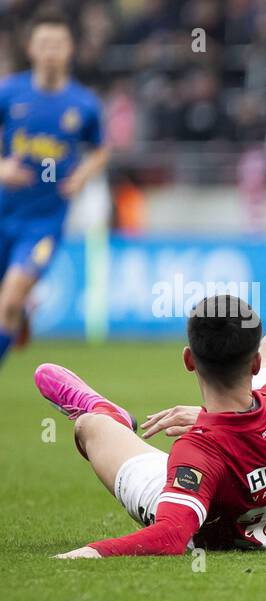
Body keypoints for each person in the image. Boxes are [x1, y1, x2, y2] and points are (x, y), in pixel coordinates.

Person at [36, 221, 266, 558]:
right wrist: (226, 428)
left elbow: (170, 536)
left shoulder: (195, 452)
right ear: (256, 365)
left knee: (89, 428)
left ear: (189, 360)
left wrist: (89, 552)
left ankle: (107, 414)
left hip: (196, 508)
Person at [0, 11, 110, 365]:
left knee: (10, 300)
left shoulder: (83, 104)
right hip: (5, 210)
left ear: (70, 50)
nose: (50, 51)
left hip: (43, 223)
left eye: (58, 44)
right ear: (31, 48)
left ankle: (19, 311)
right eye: (44, 44)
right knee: (8, 306)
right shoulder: (10, 92)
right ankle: (21, 316)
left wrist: (83, 175)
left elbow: (102, 149)